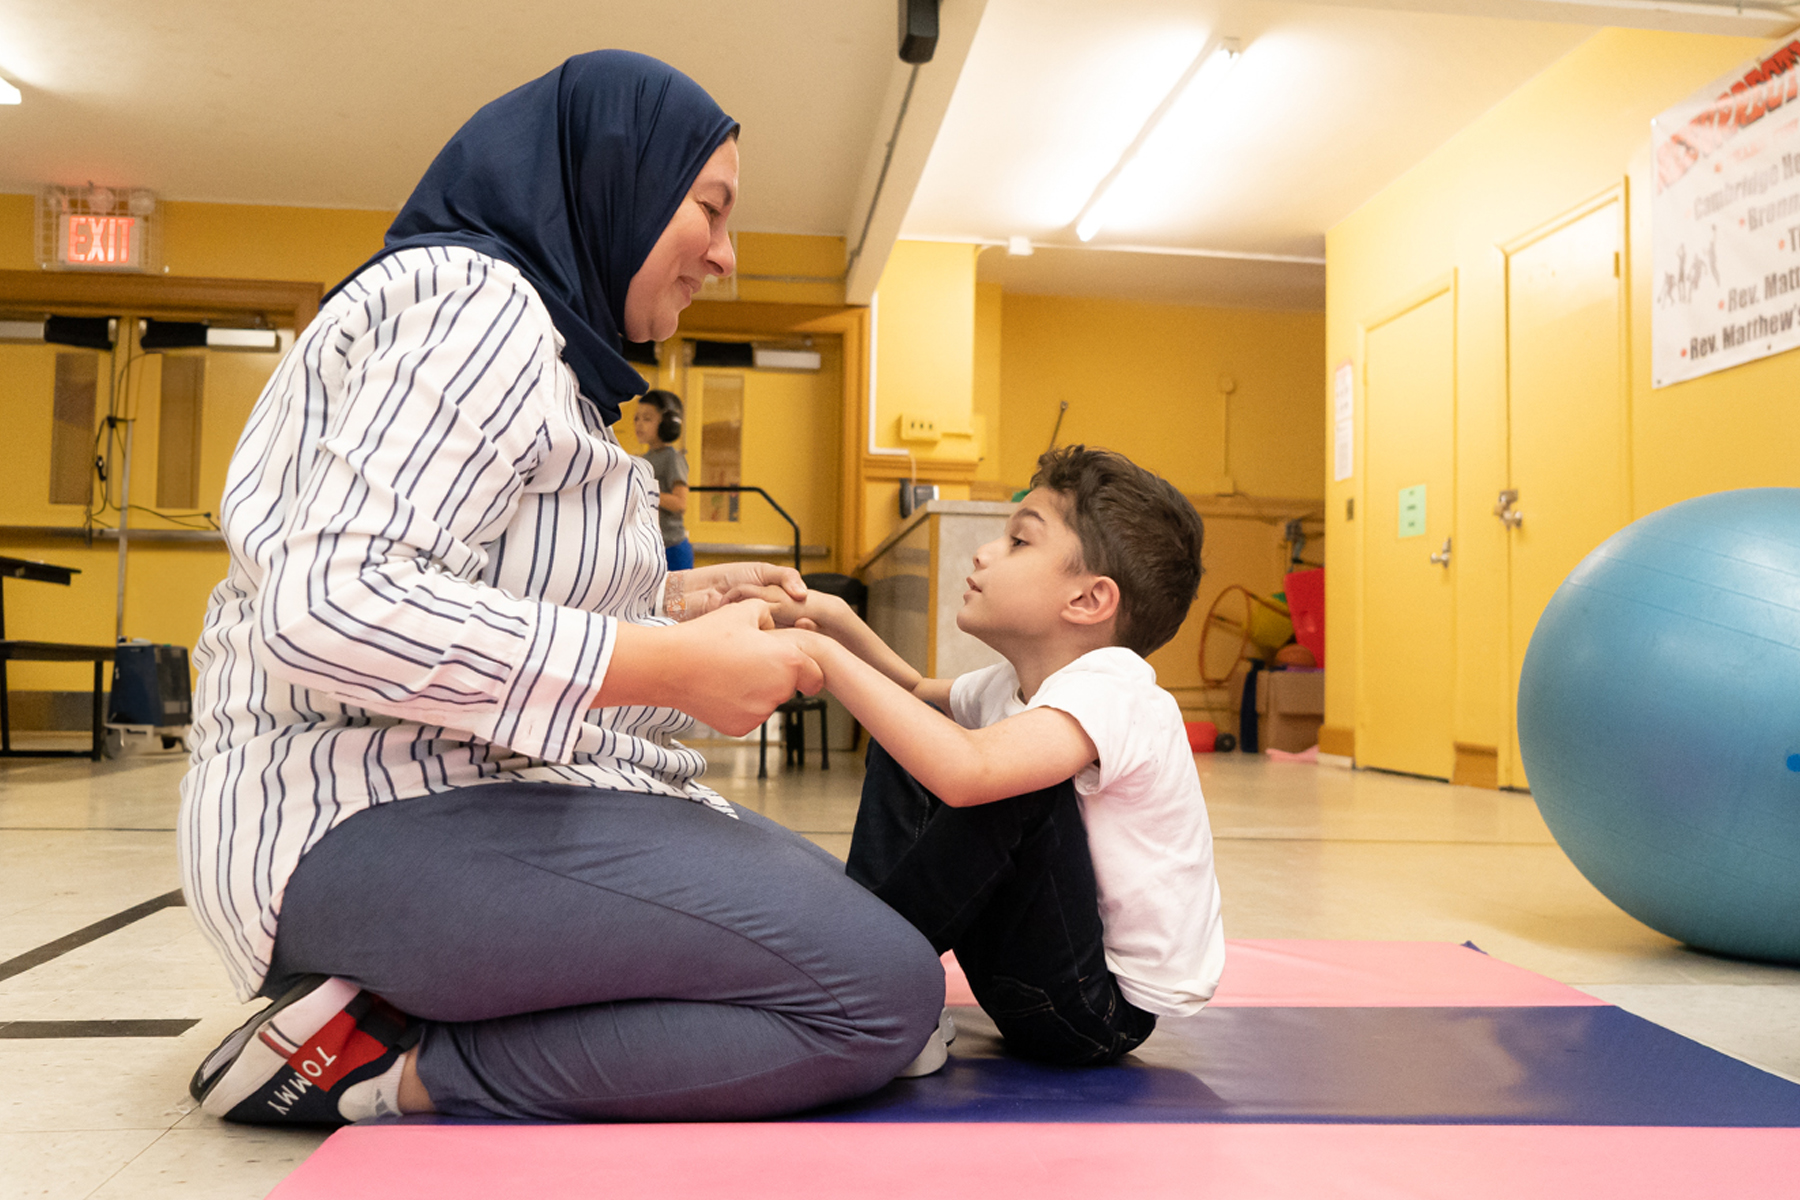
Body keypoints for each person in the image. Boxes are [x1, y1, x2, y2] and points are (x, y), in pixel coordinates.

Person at [178, 51, 943, 1127]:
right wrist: (670, 665)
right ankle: (378, 1065)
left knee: (874, 971)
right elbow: (333, 603)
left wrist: (673, 606)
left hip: (461, 797)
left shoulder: (540, 349)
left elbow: (471, 577)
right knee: (876, 999)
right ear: (617, 181)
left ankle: (396, 1007)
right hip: (362, 815)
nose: (724, 256)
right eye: (710, 208)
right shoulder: (479, 308)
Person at [753, 446, 1225, 1066]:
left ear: (1088, 601)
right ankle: (876, 964)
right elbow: (912, 692)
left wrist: (823, 658)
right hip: (1031, 970)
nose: (984, 552)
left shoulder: (1118, 690)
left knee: (1008, 782)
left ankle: (870, 980)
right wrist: (835, 619)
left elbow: (971, 773)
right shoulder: (1015, 685)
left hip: (1095, 1009)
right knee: (916, 732)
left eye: (1019, 542)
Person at [632, 389, 694, 570]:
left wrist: (647, 490)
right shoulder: (643, 460)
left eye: (647, 419)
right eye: (636, 418)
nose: (639, 424)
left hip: (672, 548)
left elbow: (680, 503)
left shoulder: (673, 458)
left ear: (667, 423)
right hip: (651, 545)